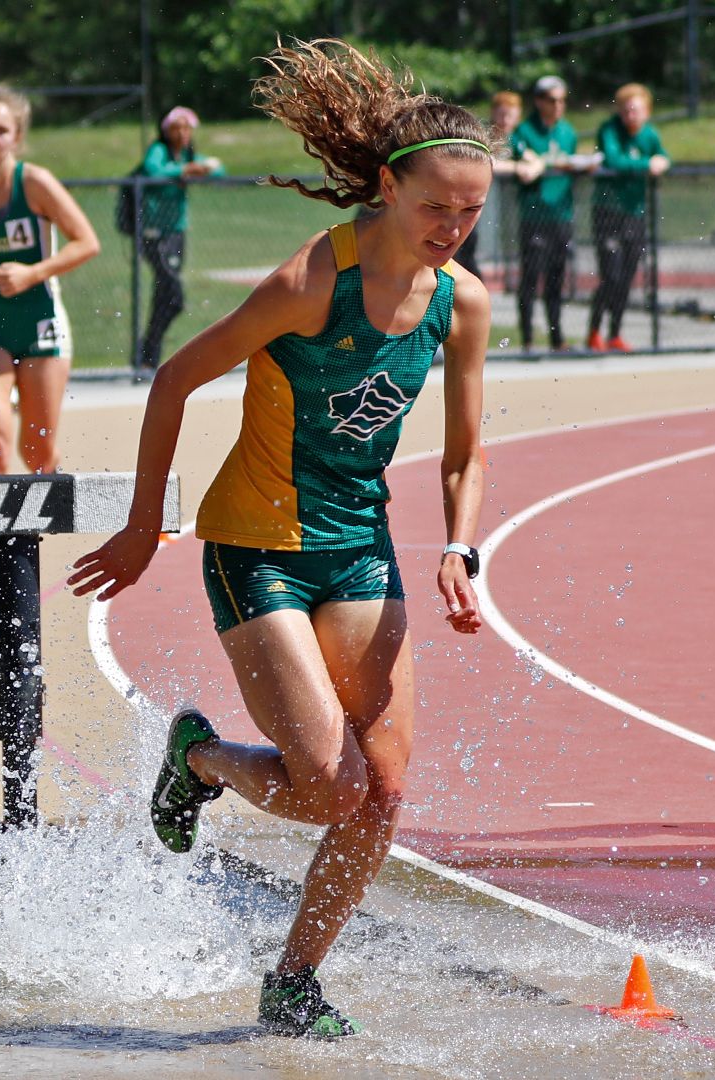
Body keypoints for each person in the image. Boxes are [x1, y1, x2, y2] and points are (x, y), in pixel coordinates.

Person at [69, 40, 490, 1038]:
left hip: (358, 546)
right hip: (256, 544)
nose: (454, 229)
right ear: (387, 188)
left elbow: (466, 454)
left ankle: (293, 980)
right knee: (325, 788)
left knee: (379, 795)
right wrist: (141, 526)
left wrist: (460, 549)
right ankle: (204, 760)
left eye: (471, 212)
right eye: (437, 207)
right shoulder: (310, 281)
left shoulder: (462, 303)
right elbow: (175, 378)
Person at [0, 85, 100, 473]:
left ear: (17, 137)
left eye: (0, 130)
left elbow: (87, 242)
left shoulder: (35, 183)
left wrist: (33, 273)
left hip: (40, 321)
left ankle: (39, 522)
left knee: (37, 454)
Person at [131, 106, 224, 374]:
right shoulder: (160, 151)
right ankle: (147, 353)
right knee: (173, 294)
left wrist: (198, 168)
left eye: (186, 128)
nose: (182, 133)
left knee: (164, 294)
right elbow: (153, 170)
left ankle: (146, 357)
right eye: (176, 128)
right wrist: (186, 169)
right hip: (153, 233)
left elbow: (219, 169)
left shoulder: (188, 155)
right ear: (167, 130)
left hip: (176, 231)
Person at [509, 76, 591, 352]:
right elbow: (522, 157)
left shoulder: (568, 132)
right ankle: (527, 339)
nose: (559, 106)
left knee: (556, 280)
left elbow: (562, 161)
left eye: (562, 100)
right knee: (530, 280)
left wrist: (578, 164)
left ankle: (557, 339)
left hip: (562, 216)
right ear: (539, 102)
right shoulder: (524, 131)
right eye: (553, 100)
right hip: (534, 218)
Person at [586, 82, 668, 353]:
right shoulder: (609, 130)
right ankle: (594, 330)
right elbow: (614, 160)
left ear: (646, 111)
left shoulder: (650, 134)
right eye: (626, 110)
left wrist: (663, 161)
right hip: (608, 213)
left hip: (635, 214)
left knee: (627, 276)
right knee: (611, 275)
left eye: (636, 110)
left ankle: (615, 333)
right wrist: (646, 164)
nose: (630, 116)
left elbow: (663, 156)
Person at [450, 90, 521, 284]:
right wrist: (517, 167)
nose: (506, 120)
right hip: (466, 203)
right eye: (502, 114)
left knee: (469, 255)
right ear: (493, 112)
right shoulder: (480, 132)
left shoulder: (517, 137)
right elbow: (483, 161)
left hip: (490, 209)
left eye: (511, 116)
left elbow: (533, 156)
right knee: (462, 254)